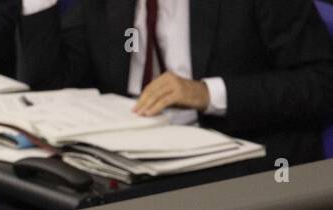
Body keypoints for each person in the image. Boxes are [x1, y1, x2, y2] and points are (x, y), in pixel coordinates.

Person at [17, 0, 333, 166]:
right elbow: (51, 89)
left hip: (243, 158)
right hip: (134, 158)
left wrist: (208, 93)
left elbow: (321, 82)